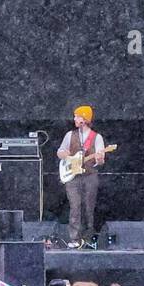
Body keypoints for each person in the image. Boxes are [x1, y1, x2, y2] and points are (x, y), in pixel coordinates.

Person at [55, 105, 106, 248]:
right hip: (72, 177)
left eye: (77, 116)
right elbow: (60, 152)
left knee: (88, 207)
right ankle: (74, 239)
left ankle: (88, 239)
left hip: (90, 176)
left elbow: (100, 161)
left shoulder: (97, 138)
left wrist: (100, 158)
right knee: (75, 207)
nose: (74, 119)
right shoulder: (70, 135)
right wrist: (68, 157)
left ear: (84, 119)